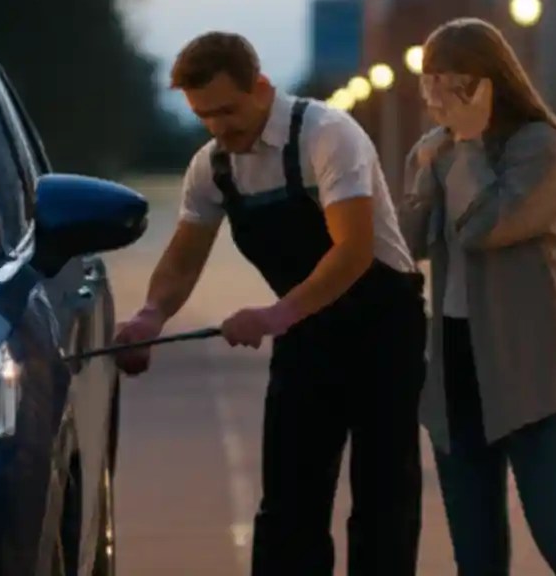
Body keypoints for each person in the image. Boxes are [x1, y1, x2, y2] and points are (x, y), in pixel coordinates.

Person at [114, 32, 427, 576]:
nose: (219, 128)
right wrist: (150, 316)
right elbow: (183, 260)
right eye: (204, 115)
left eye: (229, 110)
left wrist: (274, 316)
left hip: (383, 326)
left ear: (261, 86)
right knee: (288, 500)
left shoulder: (329, 135)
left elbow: (351, 252)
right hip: (307, 329)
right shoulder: (211, 166)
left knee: (384, 497)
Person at [400, 17, 556, 576]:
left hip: (530, 365)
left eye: (451, 83)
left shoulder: (539, 144)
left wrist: (469, 147)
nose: (437, 97)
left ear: (487, 82)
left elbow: (487, 230)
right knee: (477, 557)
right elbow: (407, 242)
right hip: (456, 365)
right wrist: (426, 173)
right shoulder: (439, 152)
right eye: (430, 83)